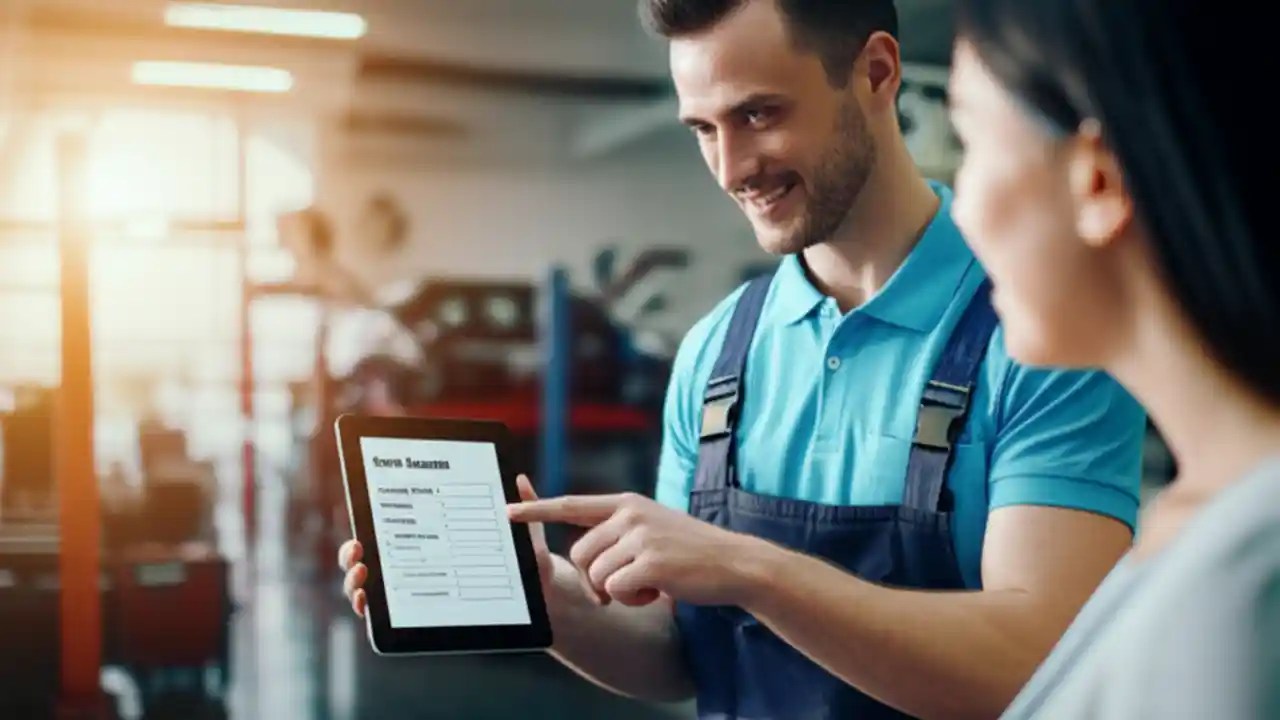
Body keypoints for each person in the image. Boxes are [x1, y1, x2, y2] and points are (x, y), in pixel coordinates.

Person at [340, 1, 1147, 717]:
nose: (731, 169)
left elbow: (1040, 662)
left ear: (876, 72)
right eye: (703, 129)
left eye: (759, 113)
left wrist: (748, 568)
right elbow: (682, 652)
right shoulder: (716, 352)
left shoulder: (1042, 332)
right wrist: (548, 599)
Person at [943, 1, 1280, 717]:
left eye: (967, 141)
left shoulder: (1248, 587)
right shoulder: (1210, 519)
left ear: (1095, 180)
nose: (959, 208)